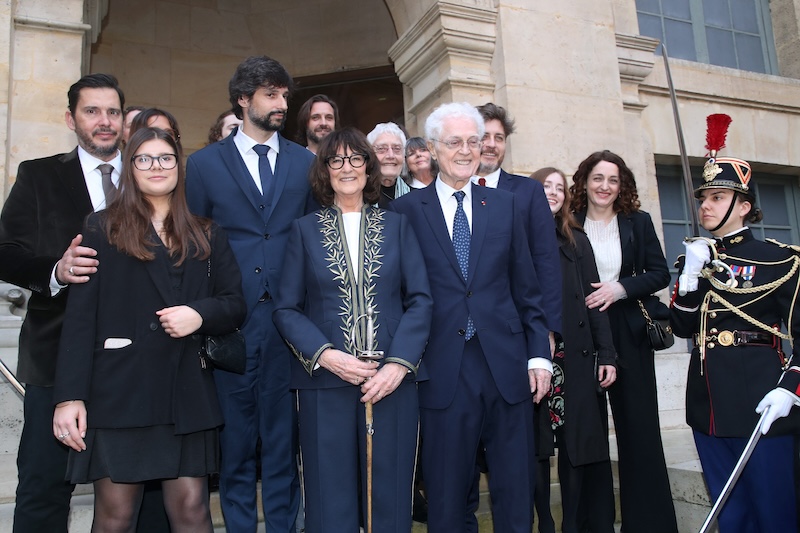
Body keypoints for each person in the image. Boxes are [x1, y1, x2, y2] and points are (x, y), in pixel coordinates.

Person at [51, 126, 246, 531]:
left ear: (179, 166)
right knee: (116, 514)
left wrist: (199, 314)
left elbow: (234, 304)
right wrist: (69, 397)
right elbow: (81, 318)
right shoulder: (101, 228)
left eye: (166, 158)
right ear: (130, 167)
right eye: (144, 158)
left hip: (186, 391)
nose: (156, 166)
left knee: (192, 509)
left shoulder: (206, 231)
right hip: (121, 391)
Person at [390, 102, 551, 532]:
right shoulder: (405, 213)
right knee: (445, 493)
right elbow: (400, 294)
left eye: (473, 142)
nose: (466, 150)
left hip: (507, 364)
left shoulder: (507, 206)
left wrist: (539, 355)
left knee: (516, 489)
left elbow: (527, 289)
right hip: (441, 368)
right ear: (433, 148)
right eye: (455, 142)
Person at [273, 127, 432, 532]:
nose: (347, 168)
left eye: (356, 159)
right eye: (336, 160)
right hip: (325, 381)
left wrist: (398, 366)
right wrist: (327, 356)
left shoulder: (398, 225)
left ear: (369, 166)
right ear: (324, 172)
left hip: (392, 382)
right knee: (329, 500)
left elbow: (421, 300)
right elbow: (286, 309)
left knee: (391, 496)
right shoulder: (303, 229)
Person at [185, 55, 315, 532]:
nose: (281, 103)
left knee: (283, 440)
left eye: (284, 94)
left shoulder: (305, 161)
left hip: (287, 323)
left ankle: (282, 526)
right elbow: (193, 247)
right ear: (243, 99)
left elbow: (313, 240)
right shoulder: (202, 165)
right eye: (270, 94)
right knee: (236, 443)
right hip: (230, 325)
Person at [0, 73, 127, 533]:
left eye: (112, 111)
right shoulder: (39, 174)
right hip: (56, 359)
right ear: (70, 118)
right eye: (92, 111)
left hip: (135, 365)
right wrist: (56, 270)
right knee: (44, 486)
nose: (104, 121)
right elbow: (6, 252)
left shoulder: (151, 174)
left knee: (139, 488)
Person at [670, 135, 800, 532]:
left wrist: (790, 388)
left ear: (743, 207)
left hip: (761, 403)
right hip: (707, 406)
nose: (705, 205)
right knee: (732, 517)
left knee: (775, 513)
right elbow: (682, 327)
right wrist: (690, 278)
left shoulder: (779, 261)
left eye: (718, 197)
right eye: (703, 197)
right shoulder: (696, 258)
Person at [570, 150, 678, 533]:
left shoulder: (638, 222)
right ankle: (595, 524)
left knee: (640, 430)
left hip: (629, 332)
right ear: (584, 181)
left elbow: (660, 274)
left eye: (613, 180)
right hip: (583, 334)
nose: (604, 186)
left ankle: (650, 524)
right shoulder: (567, 222)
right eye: (598, 178)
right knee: (590, 433)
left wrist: (620, 288)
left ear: (622, 186)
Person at [531, 167, 617, 533]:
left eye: (560, 189)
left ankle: (572, 525)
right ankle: (544, 524)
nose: (553, 192)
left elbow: (593, 300)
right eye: (546, 186)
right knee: (535, 451)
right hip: (534, 357)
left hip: (574, 358)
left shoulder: (576, 239)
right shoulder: (515, 234)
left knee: (575, 449)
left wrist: (607, 354)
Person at [367, 122, 411, 207]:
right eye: (381, 149)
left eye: (397, 149)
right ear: (370, 155)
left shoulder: (416, 198)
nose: (391, 155)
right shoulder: (358, 198)